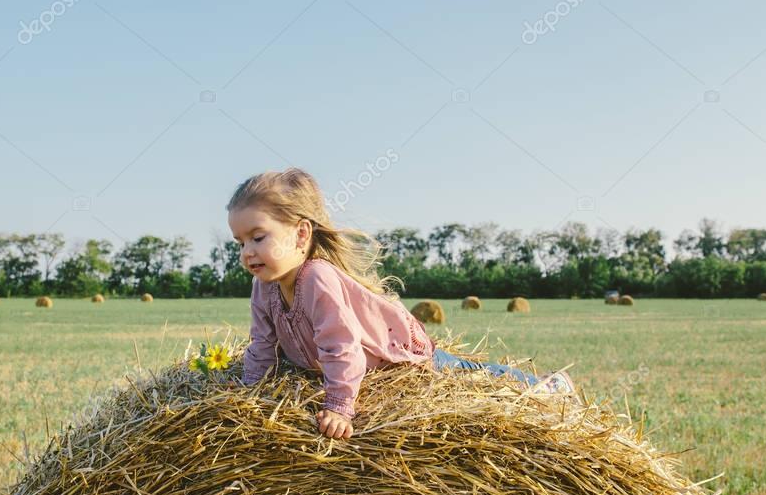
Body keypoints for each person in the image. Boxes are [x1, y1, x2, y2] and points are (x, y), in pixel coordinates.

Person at [228, 168, 570, 441]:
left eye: (258, 238)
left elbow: (342, 347)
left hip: (401, 352)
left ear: (302, 234)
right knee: (469, 374)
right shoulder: (264, 287)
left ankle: (546, 386)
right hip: (372, 366)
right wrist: (248, 394)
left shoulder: (317, 278)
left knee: (472, 375)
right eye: (240, 243)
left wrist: (339, 407)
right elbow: (262, 345)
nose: (247, 252)